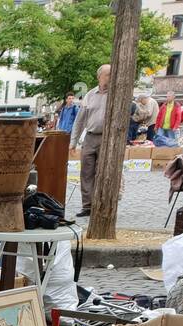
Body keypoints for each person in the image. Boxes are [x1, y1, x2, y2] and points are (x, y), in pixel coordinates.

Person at [71, 64, 110, 217]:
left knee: (102, 172)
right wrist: (73, 142)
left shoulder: (115, 94)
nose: (110, 77)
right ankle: (87, 205)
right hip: (90, 136)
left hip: (107, 138)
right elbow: (79, 120)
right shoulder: (90, 95)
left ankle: (101, 204)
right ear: (99, 76)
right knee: (86, 172)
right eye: (107, 74)